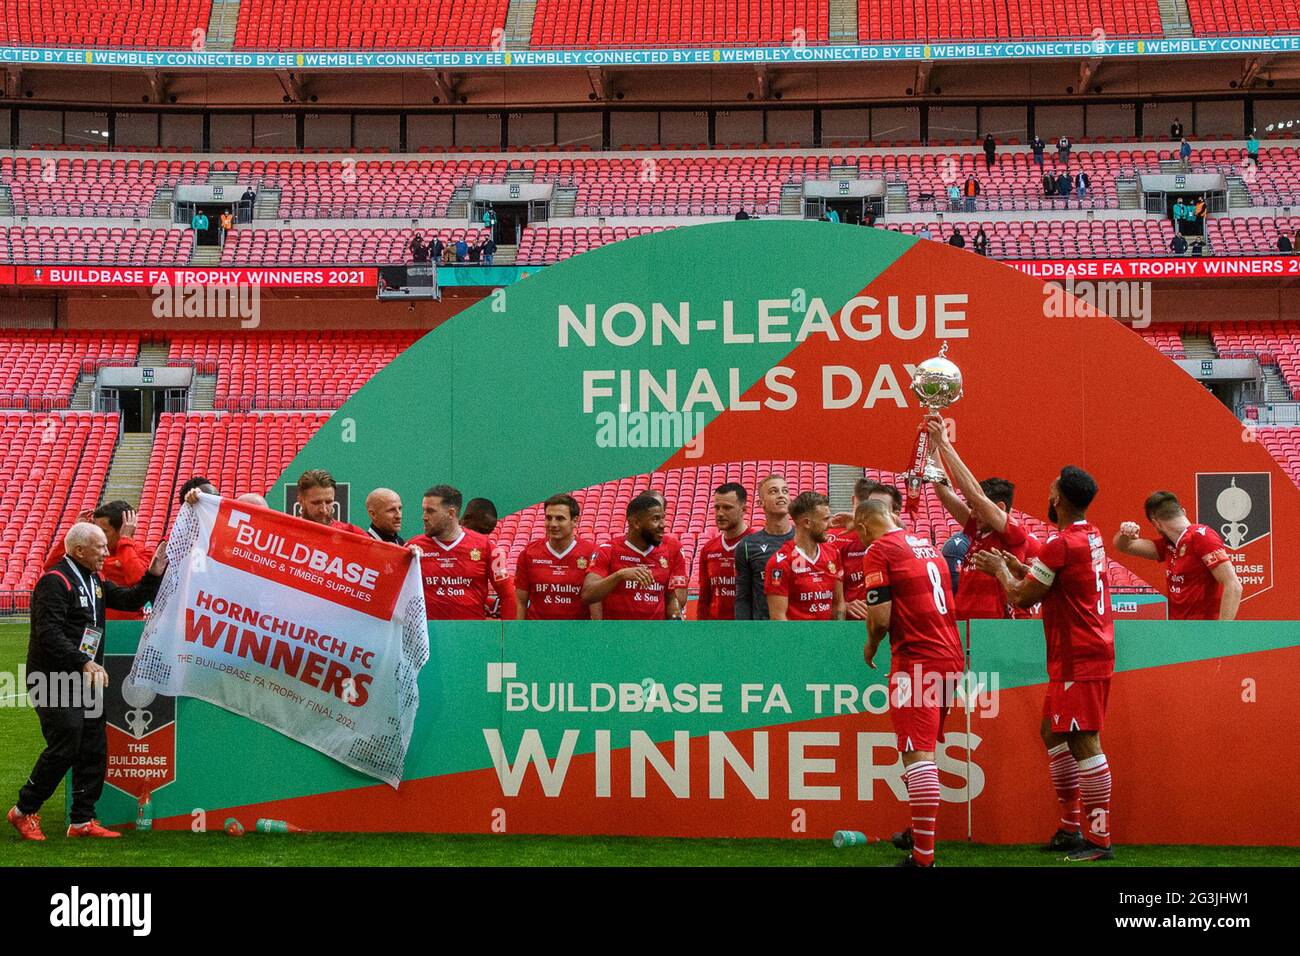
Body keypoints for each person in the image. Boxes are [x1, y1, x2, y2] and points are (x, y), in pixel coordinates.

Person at [971, 465, 1117, 861]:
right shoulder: (1089, 536)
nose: (1047, 492)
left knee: (1083, 739)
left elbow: (1022, 599)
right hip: (1083, 652)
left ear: (1057, 499)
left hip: (1079, 656)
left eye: (1051, 488)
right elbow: (1054, 582)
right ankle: (1071, 829)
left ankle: (1100, 840)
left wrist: (1002, 571)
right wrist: (1020, 568)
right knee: (1052, 733)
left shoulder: (1061, 544)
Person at [8, 523, 168, 841]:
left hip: (84, 677)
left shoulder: (94, 579)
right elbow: (48, 633)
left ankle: (82, 820)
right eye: (100, 548)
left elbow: (129, 599)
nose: (106, 553)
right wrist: (83, 661)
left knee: (93, 745)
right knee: (67, 741)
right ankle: (24, 810)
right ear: (79, 550)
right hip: (51, 678)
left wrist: (153, 574)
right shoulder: (54, 582)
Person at [854, 499, 964, 867]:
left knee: (917, 755)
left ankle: (923, 859)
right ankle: (919, 833)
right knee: (927, 749)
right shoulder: (927, 546)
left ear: (866, 526)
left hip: (917, 658)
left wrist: (870, 644)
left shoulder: (878, 551)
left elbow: (881, 618)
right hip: (951, 656)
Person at [926, 414, 1041, 621]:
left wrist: (944, 443)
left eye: (977, 508)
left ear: (999, 508)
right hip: (965, 628)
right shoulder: (977, 528)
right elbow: (945, 493)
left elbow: (974, 494)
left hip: (995, 633)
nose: (972, 513)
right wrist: (933, 447)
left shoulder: (1014, 534)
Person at [1113, 490, 1242, 620]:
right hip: (1178, 632)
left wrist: (1222, 634)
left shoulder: (1203, 537)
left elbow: (1233, 585)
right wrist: (1125, 533)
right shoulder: (1168, 545)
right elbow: (1124, 546)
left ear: (1156, 524)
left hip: (1205, 633)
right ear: (1183, 512)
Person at [409, 484, 514, 620]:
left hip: (471, 636)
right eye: (423, 510)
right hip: (428, 637)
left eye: (430, 511)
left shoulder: (488, 547)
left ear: (451, 513)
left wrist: (509, 633)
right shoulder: (413, 548)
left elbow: (508, 594)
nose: (424, 517)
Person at [43, 501, 152, 621]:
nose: (98, 534)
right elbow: (52, 567)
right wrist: (74, 534)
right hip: (91, 624)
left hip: (126, 629)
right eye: (95, 529)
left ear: (122, 529)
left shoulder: (142, 553)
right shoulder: (89, 553)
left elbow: (139, 582)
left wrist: (125, 541)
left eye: (104, 531)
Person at [582, 494, 686, 620]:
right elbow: (587, 595)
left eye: (663, 518)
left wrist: (675, 619)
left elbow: (674, 597)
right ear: (636, 523)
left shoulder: (671, 549)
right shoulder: (608, 550)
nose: (662, 525)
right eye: (655, 519)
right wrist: (619, 575)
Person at [515, 494, 598, 621]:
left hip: (577, 634)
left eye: (560, 518)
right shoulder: (529, 553)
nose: (553, 524)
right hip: (538, 633)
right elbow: (520, 602)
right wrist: (518, 633)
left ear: (574, 521)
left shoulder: (591, 553)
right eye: (549, 518)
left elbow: (596, 602)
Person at [829, 478, 901, 621]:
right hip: (852, 623)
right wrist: (845, 605)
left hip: (891, 623)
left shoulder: (902, 543)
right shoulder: (837, 538)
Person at [764, 491, 843, 621]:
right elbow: (778, 618)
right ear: (807, 523)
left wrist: (838, 634)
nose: (830, 524)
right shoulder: (780, 563)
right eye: (825, 519)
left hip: (829, 638)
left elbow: (839, 604)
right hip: (797, 639)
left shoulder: (833, 552)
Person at [734, 475, 794, 620]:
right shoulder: (747, 546)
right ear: (761, 503)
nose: (781, 495)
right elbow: (743, 597)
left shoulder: (806, 539)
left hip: (801, 630)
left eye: (785, 491)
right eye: (774, 491)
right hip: (764, 631)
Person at [695, 483, 751, 621]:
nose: (720, 513)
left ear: (743, 510)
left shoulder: (758, 545)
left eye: (727, 508)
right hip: (717, 631)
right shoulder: (708, 549)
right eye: (717, 507)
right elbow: (704, 598)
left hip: (750, 630)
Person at [296, 469, 364, 534]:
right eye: (316, 503)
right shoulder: (287, 532)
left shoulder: (352, 533)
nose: (323, 510)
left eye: (328, 502)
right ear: (301, 501)